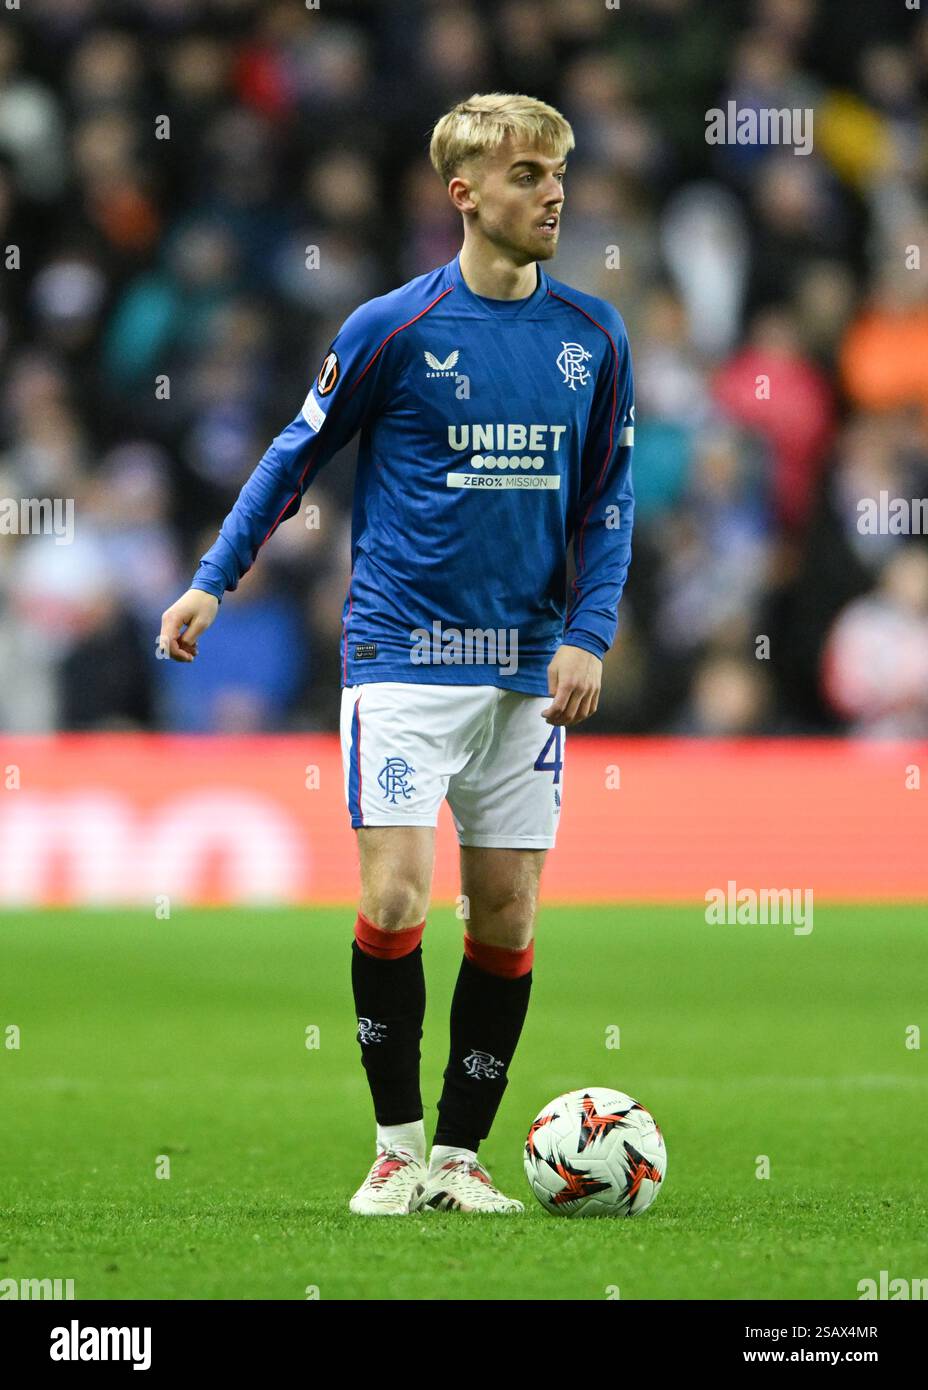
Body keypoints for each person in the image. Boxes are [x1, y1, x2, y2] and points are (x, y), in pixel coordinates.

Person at [158, 93, 635, 1214]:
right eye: (526, 174)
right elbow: (295, 455)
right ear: (463, 195)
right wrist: (211, 579)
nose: (553, 190)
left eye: (559, 169)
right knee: (392, 895)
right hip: (404, 655)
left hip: (527, 671)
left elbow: (607, 505)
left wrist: (587, 634)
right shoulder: (395, 326)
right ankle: (394, 1146)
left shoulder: (593, 337)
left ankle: (461, 1162)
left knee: (507, 917)